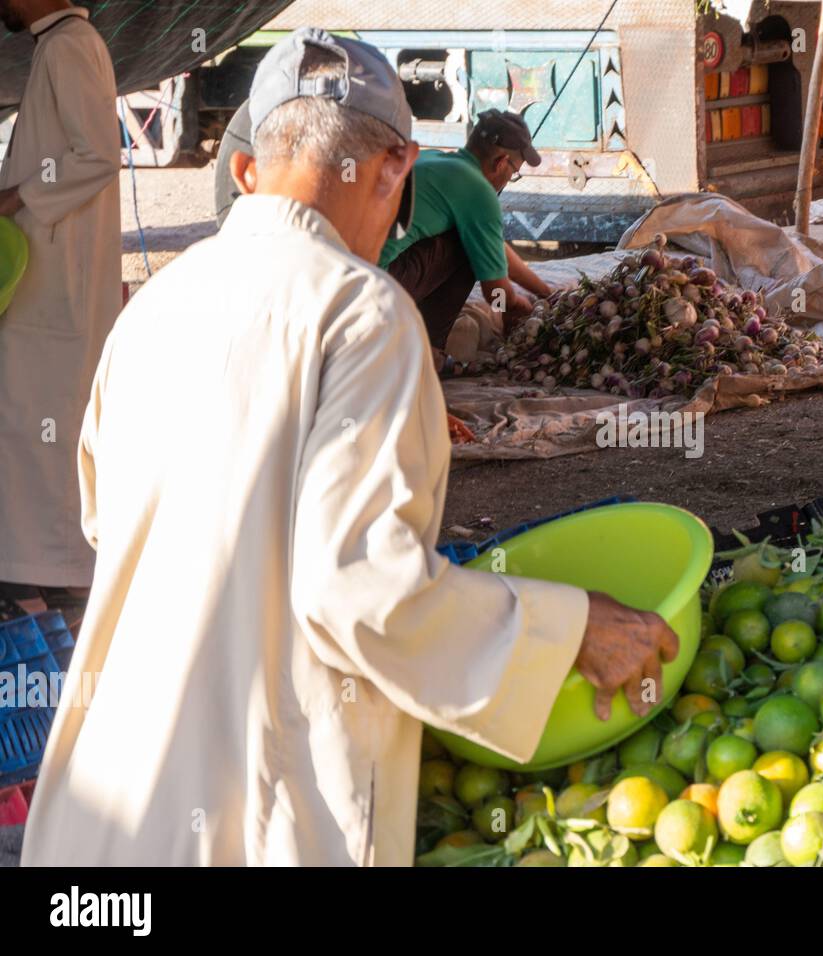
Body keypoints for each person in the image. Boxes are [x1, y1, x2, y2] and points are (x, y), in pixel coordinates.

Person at [22, 28, 677, 867]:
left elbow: (109, 523)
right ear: (398, 167)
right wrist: (570, 630)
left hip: (102, 818)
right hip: (254, 823)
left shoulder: (155, 305)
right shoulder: (364, 315)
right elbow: (362, 589)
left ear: (244, 171)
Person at [0, 0, 120, 591]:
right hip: (47, 274)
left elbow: (96, 154)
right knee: (31, 425)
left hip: (57, 279)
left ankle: (50, 580)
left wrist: (17, 195)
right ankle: (39, 573)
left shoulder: (71, 44)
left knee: (43, 427)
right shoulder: (59, 44)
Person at [381, 109, 552, 365]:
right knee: (465, 245)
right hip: (377, 289)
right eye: (514, 172)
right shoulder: (477, 189)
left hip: (351, 277)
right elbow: (494, 290)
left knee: (470, 238)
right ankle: (429, 354)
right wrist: (513, 305)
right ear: (501, 162)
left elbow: (491, 246)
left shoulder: (432, 159)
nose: (509, 178)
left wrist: (545, 292)